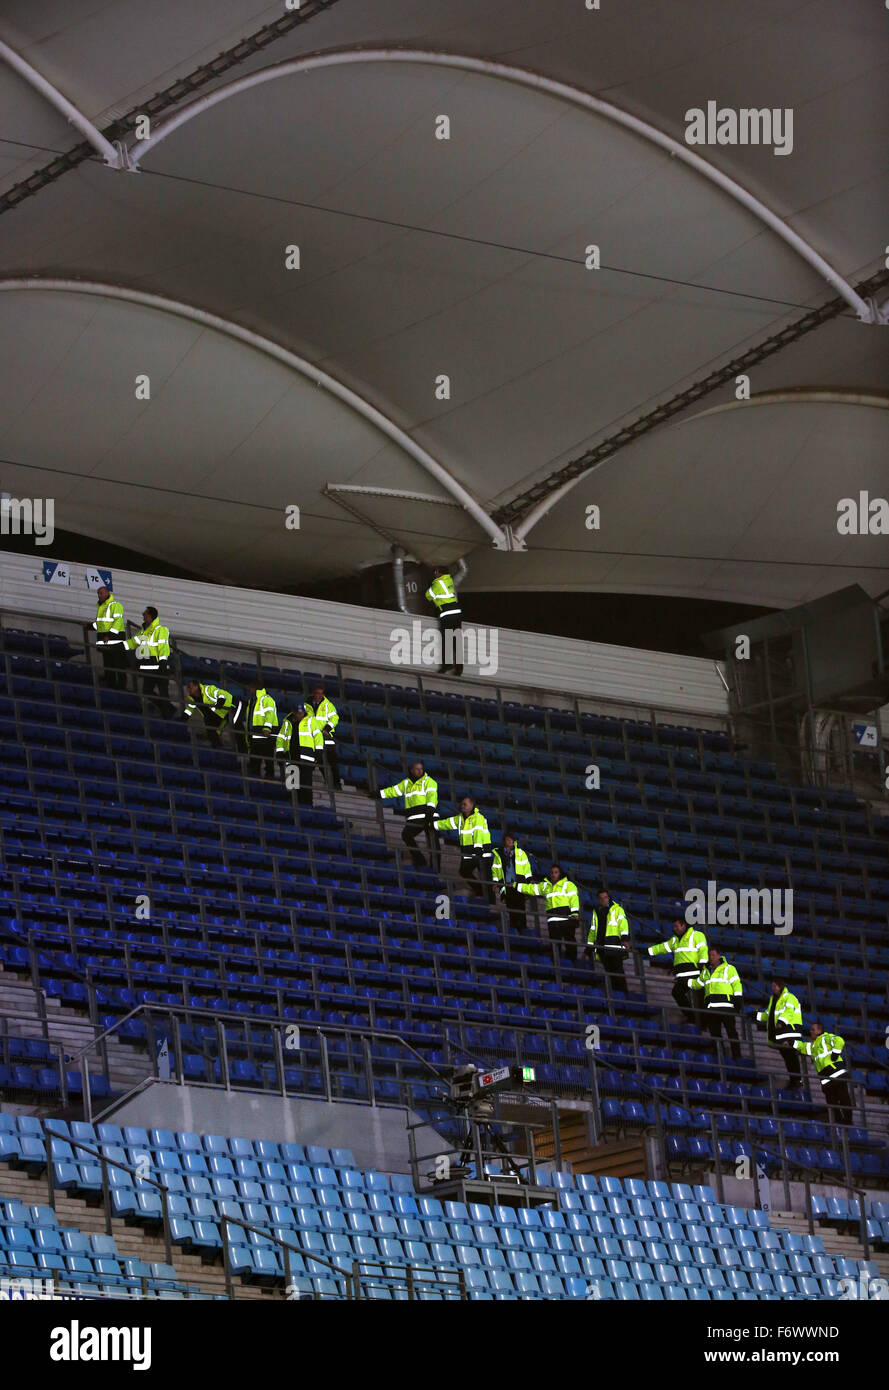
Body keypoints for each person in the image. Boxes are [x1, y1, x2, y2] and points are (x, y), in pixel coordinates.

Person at [647, 909, 708, 1025]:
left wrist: (702, 968)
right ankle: (692, 1018)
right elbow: (662, 947)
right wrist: (647, 951)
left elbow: (703, 951)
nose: (674, 928)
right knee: (677, 993)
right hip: (682, 975)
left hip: (694, 973)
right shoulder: (675, 940)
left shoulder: (697, 935)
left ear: (684, 925)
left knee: (700, 999)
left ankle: (702, 1022)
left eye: (676, 926)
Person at [515, 863, 581, 962]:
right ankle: (556, 965)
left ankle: (572, 963)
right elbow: (531, 889)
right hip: (553, 921)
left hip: (567, 919)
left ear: (560, 873)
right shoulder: (545, 886)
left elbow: (574, 899)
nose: (553, 874)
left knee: (570, 942)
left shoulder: (568, 885)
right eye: (552, 872)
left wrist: (575, 913)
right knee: (555, 945)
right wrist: (516, 885)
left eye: (556, 872)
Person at [379, 762, 440, 869]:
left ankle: (435, 869)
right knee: (406, 835)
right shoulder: (406, 783)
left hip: (429, 815)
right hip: (415, 817)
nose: (420, 771)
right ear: (411, 770)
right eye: (417, 769)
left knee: (433, 842)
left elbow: (432, 795)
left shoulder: (429, 781)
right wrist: (379, 794)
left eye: (421, 768)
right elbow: (394, 791)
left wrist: (430, 809)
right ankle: (421, 861)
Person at [689, 947, 743, 1062]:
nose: (711, 958)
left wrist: (738, 1001)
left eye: (713, 955)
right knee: (715, 1034)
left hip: (726, 1007)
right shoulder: (706, 970)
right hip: (712, 1008)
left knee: (731, 1033)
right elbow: (698, 983)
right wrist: (685, 982)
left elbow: (737, 985)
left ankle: (737, 1057)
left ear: (719, 956)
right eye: (709, 955)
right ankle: (720, 1056)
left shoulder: (729, 969)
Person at [435, 797, 494, 901]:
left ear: (472, 805)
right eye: (462, 804)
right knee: (464, 871)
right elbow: (447, 823)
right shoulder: (460, 818)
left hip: (482, 853)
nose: (462, 806)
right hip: (469, 853)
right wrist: (434, 824)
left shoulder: (478, 818)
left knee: (485, 877)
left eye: (465, 804)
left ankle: (490, 902)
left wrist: (478, 849)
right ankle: (480, 891)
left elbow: (478, 833)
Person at [794, 1022, 852, 1127]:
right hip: (826, 1079)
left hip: (837, 1074)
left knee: (843, 1098)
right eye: (811, 1029)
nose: (810, 1031)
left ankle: (848, 1121)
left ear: (819, 1031)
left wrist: (835, 1054)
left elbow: (839, 1040)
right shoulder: (813, 1045)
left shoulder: (826, 1037)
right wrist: (789, 1042)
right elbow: (802, 1046)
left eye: (813, 1029)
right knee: (831, 1102)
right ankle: (840, 1122)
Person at [124, 605, 173, 718]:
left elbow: (162, 647)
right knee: (147, 691)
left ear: (151, 616)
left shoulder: (160, 629)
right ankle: (168, 709)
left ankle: (167, 715)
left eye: (145, 613)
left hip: (159, 664)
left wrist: (162, 663)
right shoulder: (143, 631)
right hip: (149, 664)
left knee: (163, 692)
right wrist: (118, 646)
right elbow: (132, 643)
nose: (143, 615)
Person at [755, 979, 803, 1089]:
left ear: (780, 986)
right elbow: (768, 1015)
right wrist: (756, 1015)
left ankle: (797, 1080)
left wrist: (781, 1021)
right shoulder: (773, 999)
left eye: (775, 986)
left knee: (791, 1057)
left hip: (790, 1032)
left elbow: (789, 1011)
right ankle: (794, 1079)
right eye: (772, 986)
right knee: (787, 1058)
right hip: (780, 1034)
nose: (773, 988)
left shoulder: (789, 997)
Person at [277, 701, 322, 806]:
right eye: (298, 713)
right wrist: (279, 752)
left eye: (301, 713)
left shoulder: (311, 721)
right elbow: (281, 738)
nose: (300, 715)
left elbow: (318, 737)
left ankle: (307, 808)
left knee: (306, 786)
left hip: (307, 758)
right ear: (293, 712)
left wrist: (319, 751)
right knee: (291, 786)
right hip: (291, 758)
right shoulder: (287, 722)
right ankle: (292, 806)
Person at [583, 887, 630, 985]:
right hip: (602, 948)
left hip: (614, 946)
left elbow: (623, 925)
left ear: (609, 898)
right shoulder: (596, 912)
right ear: (598, 900)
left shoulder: (617, 909)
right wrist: (588, 949)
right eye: (601, 898)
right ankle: (617, 995)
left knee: (618, 973)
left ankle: (622, 995)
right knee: (611, 975)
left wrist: (625, 939)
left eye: (605, 897)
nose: (603, 900)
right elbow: (592, 931)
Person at [84, 584, 126, 690]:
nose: (99, 595)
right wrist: (89, 626)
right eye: (98, 593)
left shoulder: (114, 605)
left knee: (118, 665)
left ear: (107, 593)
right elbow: (101, 624)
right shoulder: (101, 607)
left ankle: (121, 687)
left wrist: (109, 635)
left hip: (115, 640)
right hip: (106, 640)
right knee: (108, 664)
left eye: (101, 593)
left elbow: (117, 623)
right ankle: (110, 684)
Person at [425, 566, 463, 676]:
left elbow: (428, 596)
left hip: (447, 615)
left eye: (436, 571)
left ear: (440, 573)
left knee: (446, 641)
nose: (434, 573)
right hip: (457, 614)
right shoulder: (449, 581)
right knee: (457, 643)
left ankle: (446, 665)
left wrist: (431, 586)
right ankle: (459, 669)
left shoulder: (438, 583)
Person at [491, 833, 533, 930]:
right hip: (507, 886)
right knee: (511, 909)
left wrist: (530, 880)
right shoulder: (499, 855)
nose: (510, 841)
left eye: (511, 840)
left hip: (519, 885)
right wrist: (495, 882)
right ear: (504, 842)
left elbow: (526, 868)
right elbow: (495, 869)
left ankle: (523, 930)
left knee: (521, 909)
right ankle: (514, 930)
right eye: (507, 840)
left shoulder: (520, 853)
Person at [310, 683, 342, 791]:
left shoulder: (328, 705)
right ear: (313, 693)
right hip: (314, 737)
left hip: (327, 737)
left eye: (321, 694)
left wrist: (327, 729)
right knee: (319, 761)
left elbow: (334, 718)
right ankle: (328, 781)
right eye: (317, 693)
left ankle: (337, 784)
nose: (319, 696)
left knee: (332, 761)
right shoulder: (307, 705)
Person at [183, 680, 234, 747]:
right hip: (210, 717)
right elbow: (190, 708)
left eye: (190, 687)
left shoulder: (208, 689)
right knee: (212, 733)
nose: (188, 689)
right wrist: (184, 716)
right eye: (188, 688)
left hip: (224, 713)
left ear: (196, 686)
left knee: (215, 731)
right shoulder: (193, 698)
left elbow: (221, 694)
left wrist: (220, 701)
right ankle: (216, 748)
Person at [245, 682, 278, 779]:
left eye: (251, 688)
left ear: (255, 688)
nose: (249, 690)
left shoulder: (266, 699)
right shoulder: (252, 701)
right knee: (254, 761)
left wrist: (267, 728)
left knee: (268, 762)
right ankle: (255, 783)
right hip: (255, 735)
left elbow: (270, 714)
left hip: (265, 736)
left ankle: (269, 782)